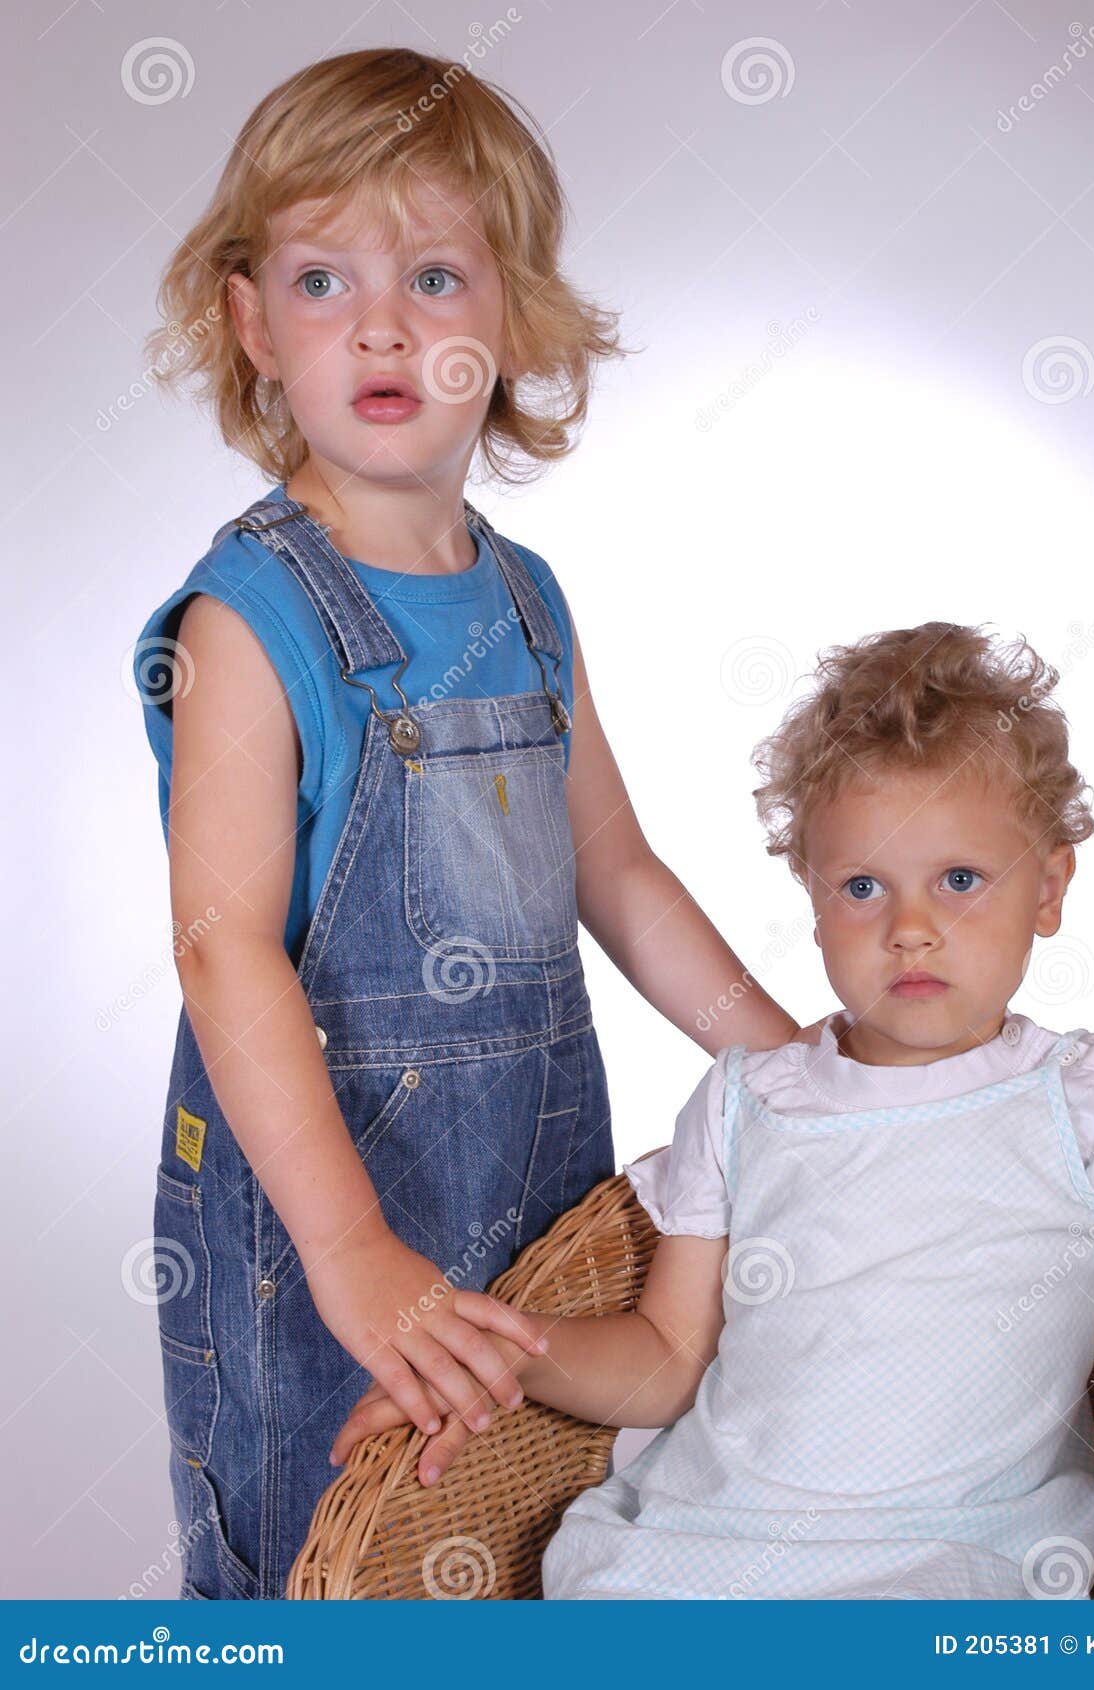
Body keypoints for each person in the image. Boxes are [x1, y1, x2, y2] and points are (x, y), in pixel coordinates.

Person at [133, 47, 803, 1600]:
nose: (382, 324)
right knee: (325, 1543)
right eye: (322, 280)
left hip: (526, 1190)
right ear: (251, 323)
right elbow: (224, 946)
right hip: (316, 1217)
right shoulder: (254, 617)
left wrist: (788, 1072)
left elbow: (616, 872)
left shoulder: (523, 600)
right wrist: (354, 1250)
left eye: (437, 276)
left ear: (508, 323)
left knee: (498, 1526)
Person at [333, 620, 1094, 1601]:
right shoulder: (750, 1099)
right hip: (696, 1550)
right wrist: (516, 1350)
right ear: (811, 894)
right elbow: (666, 1358)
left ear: (1048, 887)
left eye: (960, 880)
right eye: (863, 886)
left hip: (954, 1566)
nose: (910, 929)